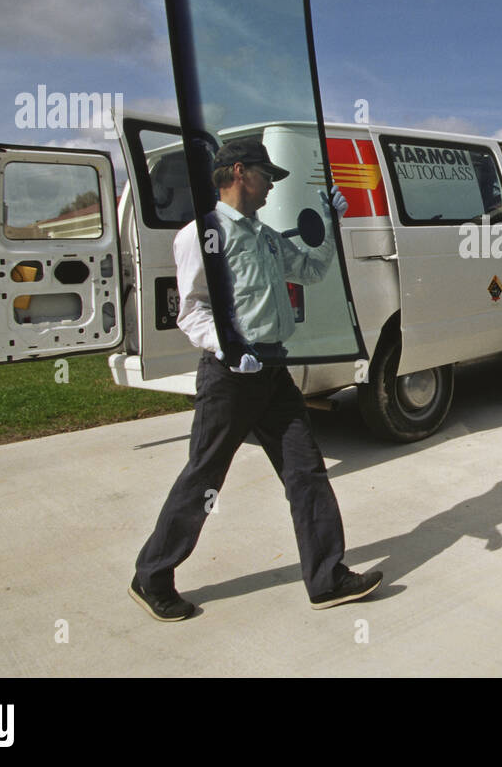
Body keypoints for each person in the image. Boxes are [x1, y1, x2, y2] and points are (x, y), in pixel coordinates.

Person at [130, 137, 382, 620]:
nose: (271, 187)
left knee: (305, 470)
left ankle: (327, 579)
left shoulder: (265, 236)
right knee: (204, 476)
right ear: (240, 172)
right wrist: (228, 347)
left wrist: (330, 225)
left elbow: (310, 271)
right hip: (229, 376)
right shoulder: (200, 235)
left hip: (273, 370)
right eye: (267, 177)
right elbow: (191, 311)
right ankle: (151, 575)